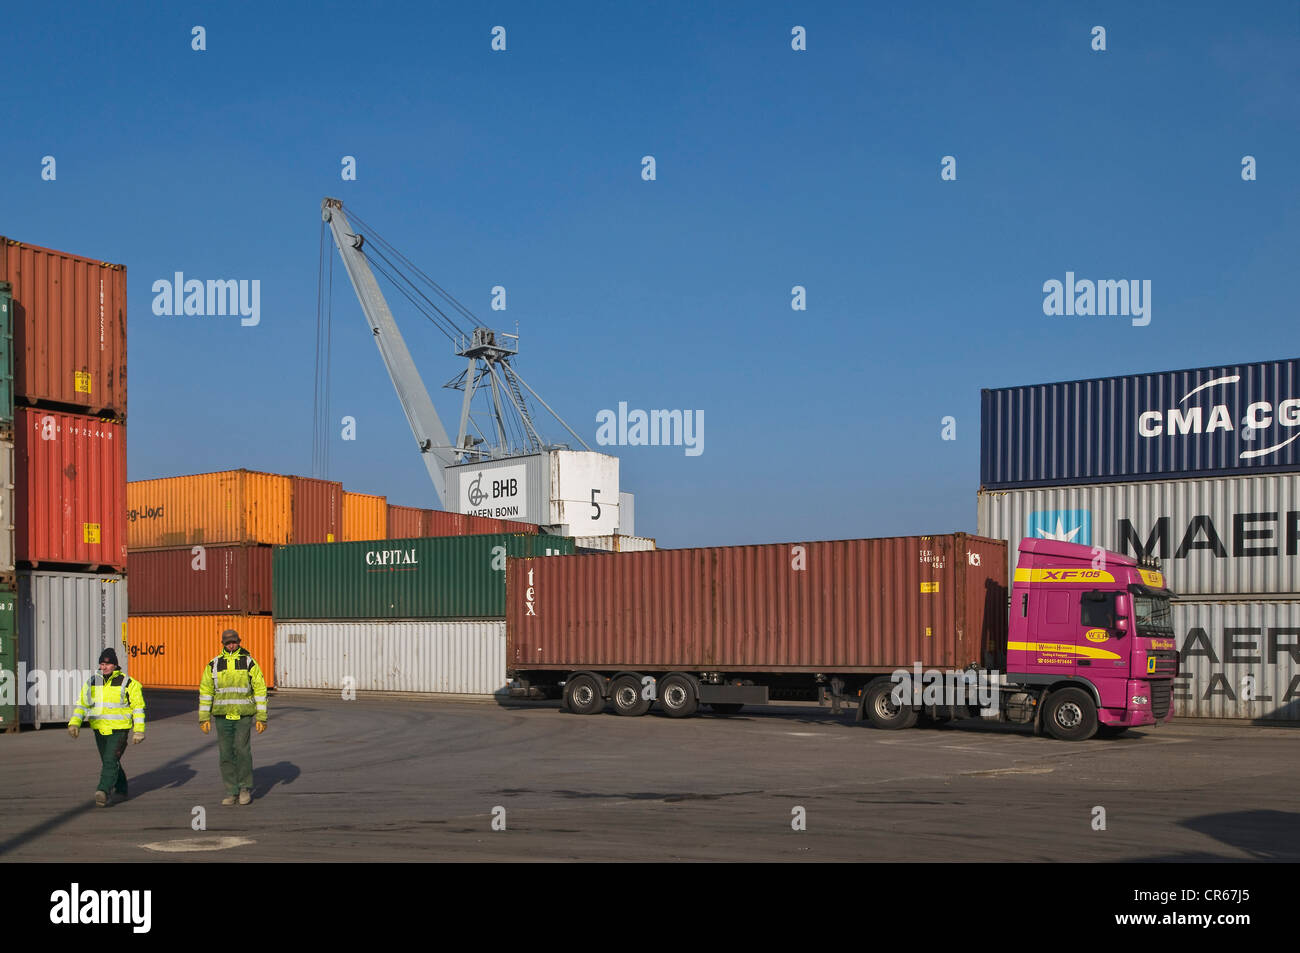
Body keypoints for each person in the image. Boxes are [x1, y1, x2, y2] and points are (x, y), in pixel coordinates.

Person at [67, 648, 145, 807]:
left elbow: (138, 707)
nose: (103, 667)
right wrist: (75, 722)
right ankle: (122, 789)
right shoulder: (93, 681)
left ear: (115, 665)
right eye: (101, 664)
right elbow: (83, 704)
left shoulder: (128, 683)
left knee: (110, 760)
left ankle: (103, 791)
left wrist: (139, 730)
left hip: (119, 730)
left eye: (107, 664)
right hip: (99, 729)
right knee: (110, 760)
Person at [199, 628, 268, 806]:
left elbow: (260, 689)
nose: (231, 645)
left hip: (243, 715)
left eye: (234, 642)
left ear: (239, 642)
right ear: (223, 644)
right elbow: (206, 691)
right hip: (222, 717)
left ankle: (244, 788)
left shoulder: (248, 662)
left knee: (242, 750)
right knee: (226, 754)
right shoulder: (214, 664)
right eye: (228, 642)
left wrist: (261, 717)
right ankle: (231, 790)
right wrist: (204, 717)